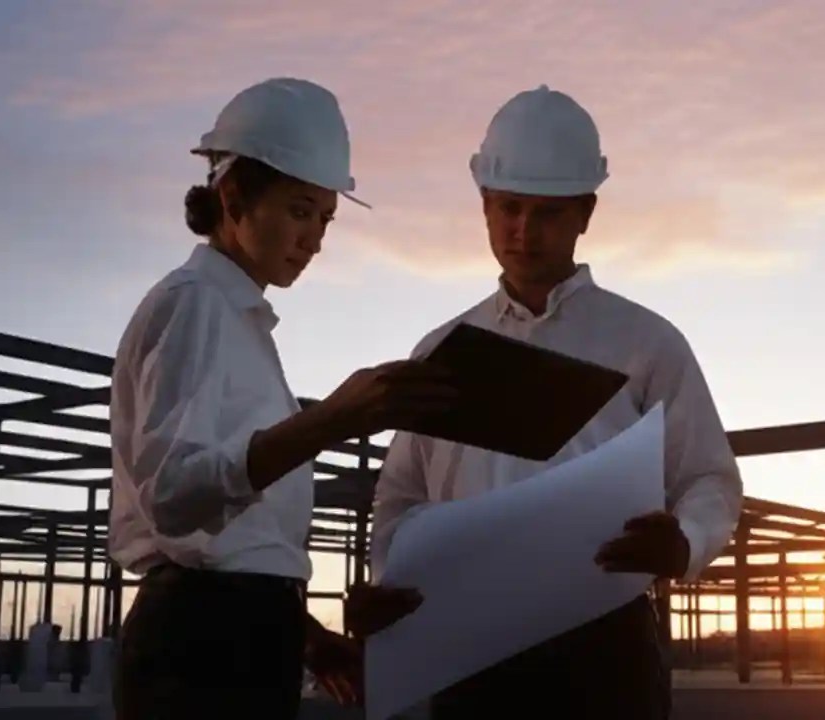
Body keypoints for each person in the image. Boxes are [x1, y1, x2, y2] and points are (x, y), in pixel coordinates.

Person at [367, 84, 744, 718]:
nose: (522, 231)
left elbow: (708, 475)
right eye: (508, 207)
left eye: (546, 213)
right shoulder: (443, 351)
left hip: (604, 650)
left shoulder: (647, 343)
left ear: (585, 214)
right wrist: (395, 582)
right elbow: (401, 499)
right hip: (473, 652)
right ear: (484, 207)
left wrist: (682, 541)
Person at [108, 77, 444, 719]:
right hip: (197, 650)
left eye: (324, 217)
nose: (314, 238)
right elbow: (173, 497)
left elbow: (237, 544)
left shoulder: (238, 321)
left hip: (233, 634)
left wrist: (305, 639)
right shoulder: (194, 304)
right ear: (233, 196)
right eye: (298, 210)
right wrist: (329, 421)